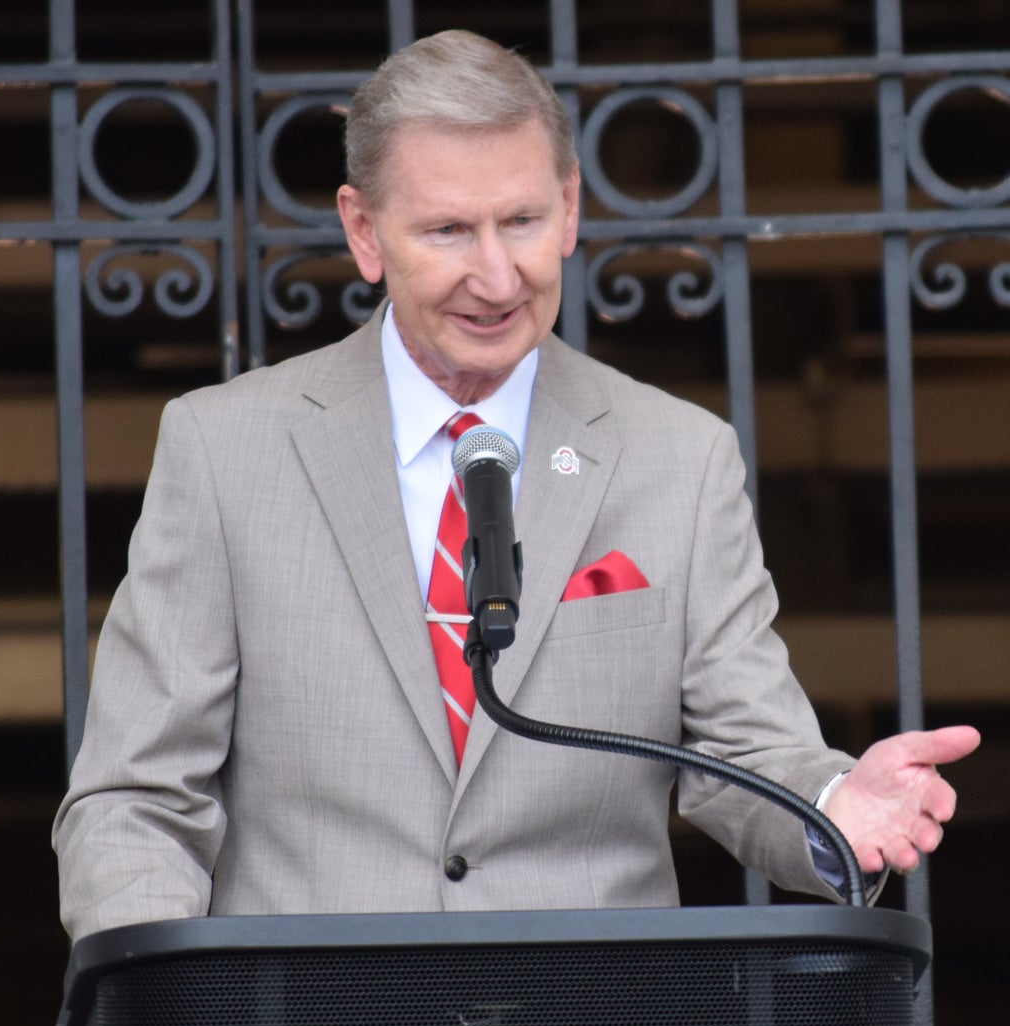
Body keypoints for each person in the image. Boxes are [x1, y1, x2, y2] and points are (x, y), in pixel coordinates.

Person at [52, 29, 979, 943]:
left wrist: (831, 805)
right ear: (364, 232)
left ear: (570, 208)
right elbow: (136, 798)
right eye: (449, 229)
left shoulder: (680, 458)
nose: (496, 277)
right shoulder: (226, 450)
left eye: (522, 222)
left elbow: (744, 753)